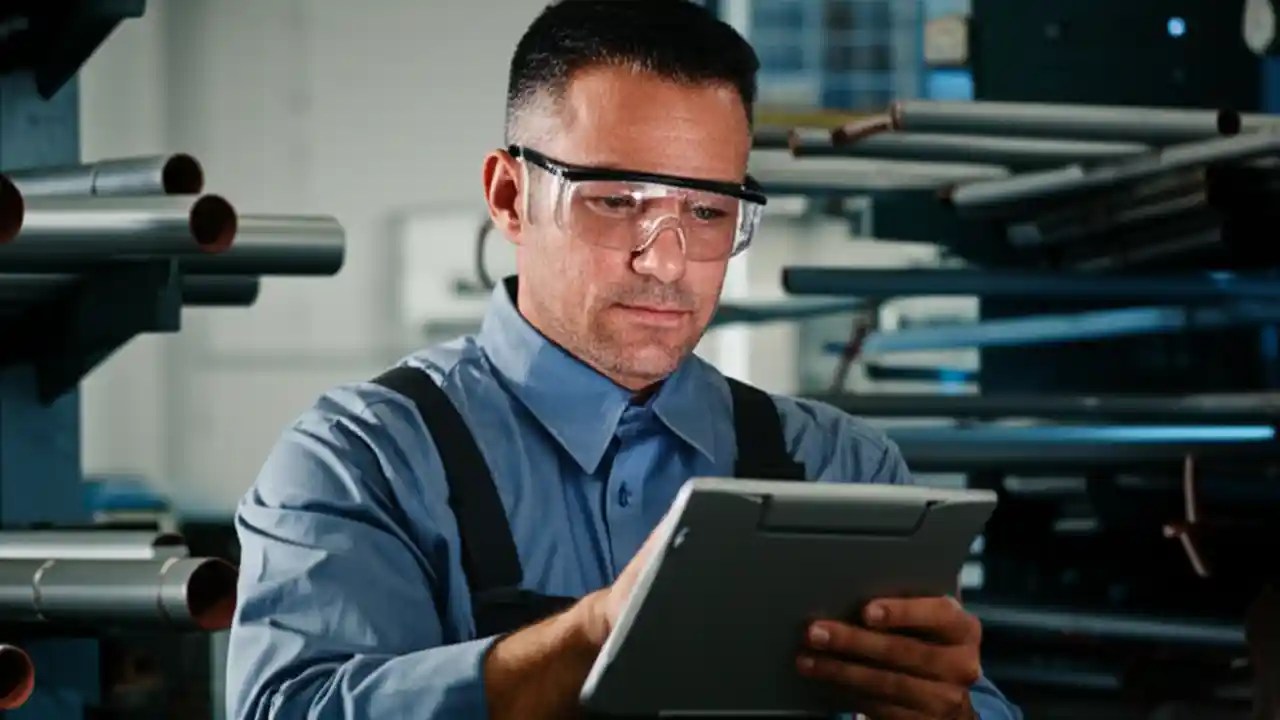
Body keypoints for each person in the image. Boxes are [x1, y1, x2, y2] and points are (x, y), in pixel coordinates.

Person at [225, 1, 1022, 718]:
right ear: (509, 197)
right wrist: (593, 636)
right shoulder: (362, 461)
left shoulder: (842, 470)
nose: (667, 261)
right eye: (615, 202)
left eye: (708, 211)